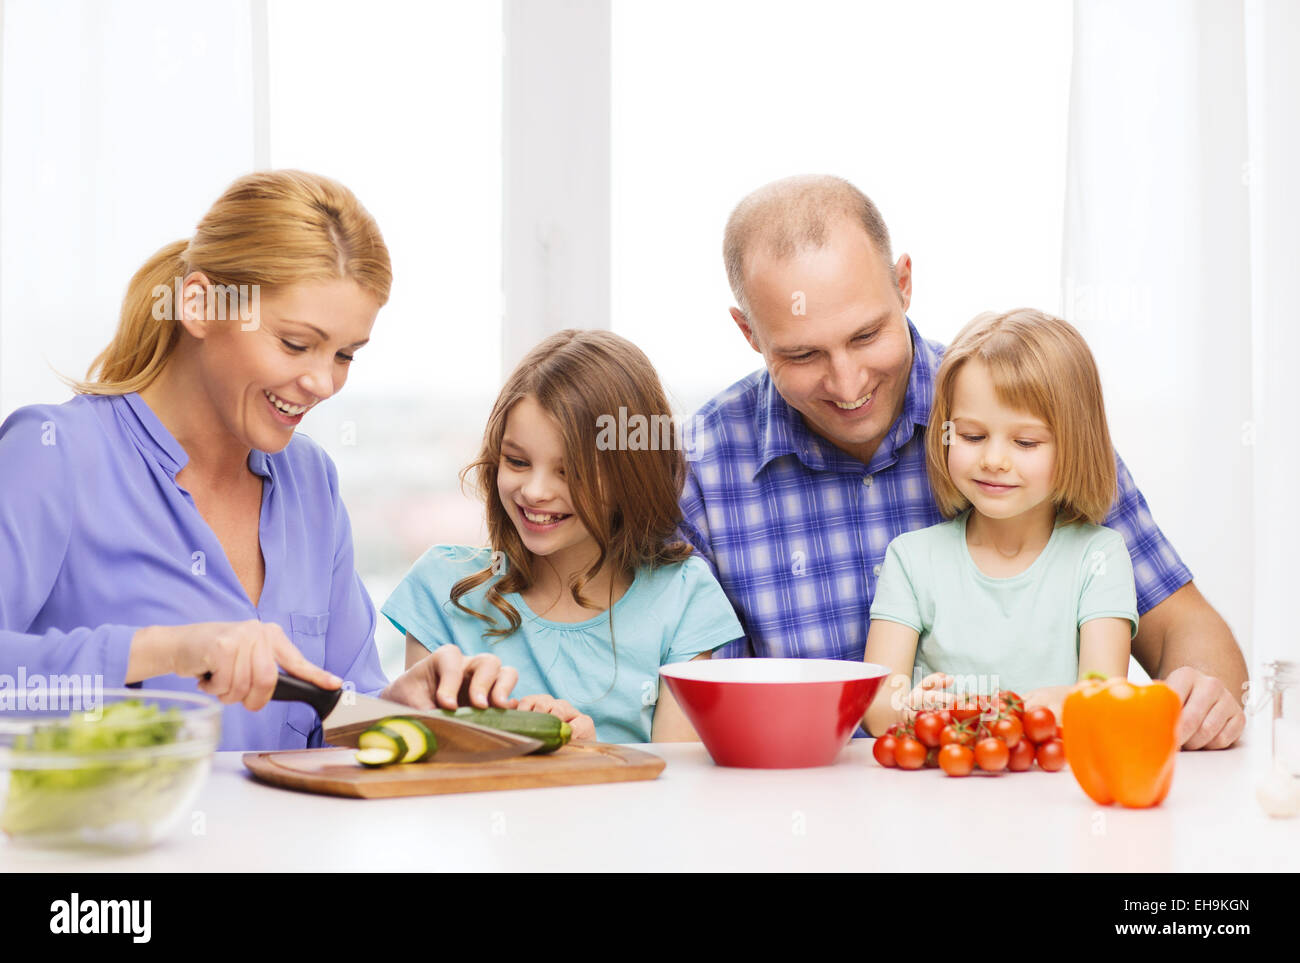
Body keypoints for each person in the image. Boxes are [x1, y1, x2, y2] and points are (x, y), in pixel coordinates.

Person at [680, 174, 1248, 749]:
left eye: (867, 334)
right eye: (803, 354)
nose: (848, 383)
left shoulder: (1016, 407)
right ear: (749, 331)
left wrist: (1202, 696)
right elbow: (679, 692)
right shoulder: (702, 462)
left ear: (904, 284)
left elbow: (1183, 625)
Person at [0, 170, 515, 750]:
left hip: (290, 844)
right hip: (107, 840)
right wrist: (168, 650)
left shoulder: (310, 482)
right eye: (295, 343)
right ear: (198, 305)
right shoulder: (54, 454)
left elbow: (333, 706)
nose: (321, 381)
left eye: (345, 354)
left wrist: (396, 710)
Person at [382, 330, 744, 743]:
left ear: (632, 474)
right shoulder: (443, 587)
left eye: (570, 471)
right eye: (517, 461)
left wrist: (593, 756)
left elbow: (678, 786)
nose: (535, 491)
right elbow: (414, 763)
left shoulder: (683, 598)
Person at [862, 309, 1135, 734]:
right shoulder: (911, 559)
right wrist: (910, 706)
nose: (993, 460)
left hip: (1051, 792)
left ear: (1076, 444)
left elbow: (1105, 697)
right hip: (937, 790)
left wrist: (1040, 707)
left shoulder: (1098, 557)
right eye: (971, 436)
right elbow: (877, 705)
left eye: (1025, 442)